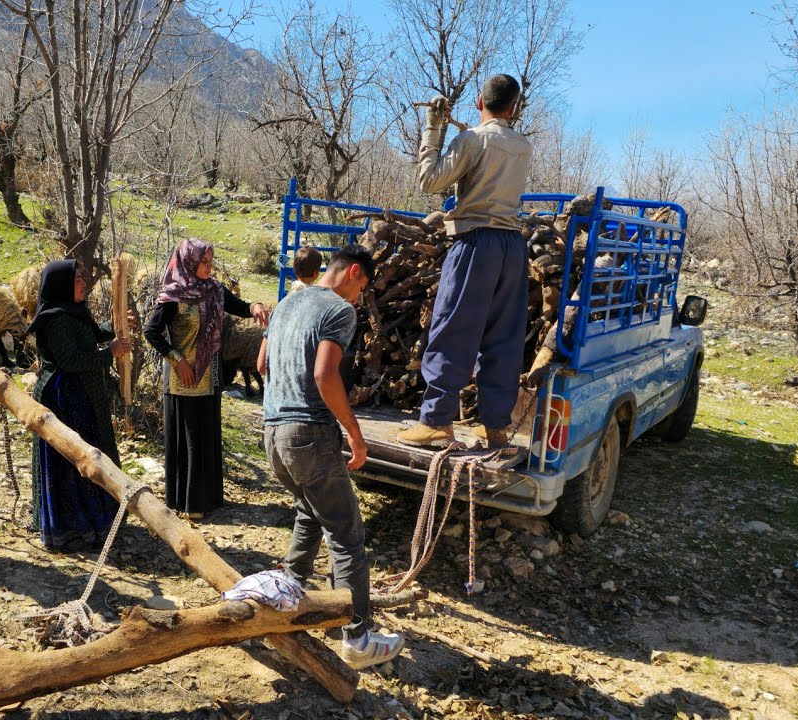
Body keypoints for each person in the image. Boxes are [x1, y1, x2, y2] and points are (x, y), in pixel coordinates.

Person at [258, 244, 405, 671]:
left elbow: (264, 365)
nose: (360, 297)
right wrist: (355, 434)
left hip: (273, 434)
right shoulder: (339, 310)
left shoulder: (287, 302)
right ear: (353, 272)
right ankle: (358, 637)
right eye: (363, 287)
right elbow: (324, 375)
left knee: (310, 511)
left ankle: (288, 603)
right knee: (346, 533)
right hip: (310, 434)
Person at [397, 74, 532, 450]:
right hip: (511, 247)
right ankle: (494, 426)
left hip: (475, 244)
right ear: (514, 107)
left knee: (454, 330)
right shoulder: (523, 146)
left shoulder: (472, 139)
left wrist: (433, 128)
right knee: (504, 337)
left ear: (478, 102)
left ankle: (437, 421)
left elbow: (429, 181)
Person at [144, 238, 270, 519]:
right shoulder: (173, 295)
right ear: (189, 261)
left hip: (209, 376)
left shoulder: (213, 290)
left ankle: (208, 499)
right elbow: (151, 332)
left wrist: (255, 307)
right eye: (205, 262)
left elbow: (237, 305)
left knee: (206, 435)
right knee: (189, 438)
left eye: (211, 261)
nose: (210, 267)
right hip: (183, 378)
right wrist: (177, 360)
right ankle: (188, 503)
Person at [27, 259, 131, 552]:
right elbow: (70, 360)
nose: (83, 284)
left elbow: (90, 334)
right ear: (61, 286)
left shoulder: (73, 312)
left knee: (92, 452)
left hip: (82, 394)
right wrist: (109, 353)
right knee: (73, 459)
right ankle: (72, 528)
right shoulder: (55, 319)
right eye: (76, 280)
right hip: (64, 397)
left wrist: (115, 326)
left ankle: (97, 522)